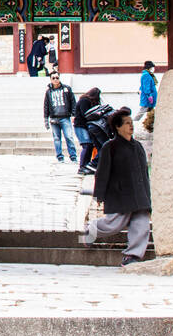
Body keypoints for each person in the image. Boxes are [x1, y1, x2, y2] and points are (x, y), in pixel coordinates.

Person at [82, 108, 153, 266]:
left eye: (131, 122)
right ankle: (90, 230)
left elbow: (144, 173)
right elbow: (102, 173)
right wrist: (99, 195)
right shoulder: (110, 147)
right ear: (118, 127)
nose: (131, 126)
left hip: (140, 195)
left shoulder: (138, 147)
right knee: (114, 224)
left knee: (141, 225)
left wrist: (148, 197)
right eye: (126, 123)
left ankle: (132, 255)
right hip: (120, 194)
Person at [42, 71, 78, 164]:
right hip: (54, 118)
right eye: (53, 78)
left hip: (65, 117)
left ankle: (73, 156)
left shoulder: (67, 89)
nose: (55, 80)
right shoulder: (48, 92)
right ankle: (60, 157)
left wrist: (74, 114)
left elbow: (73, 102)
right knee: (57, 138)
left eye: (57, 78)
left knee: (69, 137)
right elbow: (46, 105)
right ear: (50, 79)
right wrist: (46, 119)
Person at [72, 87, 102, 174]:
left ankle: (86, 166)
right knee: (87, 145)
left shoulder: (85, 100)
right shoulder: (84, 101)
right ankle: (82, 166)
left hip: (84, 126)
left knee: (89, 145)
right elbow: (85, 114)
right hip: (80, 126)